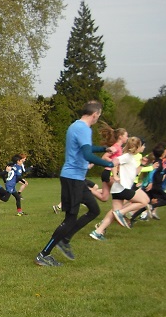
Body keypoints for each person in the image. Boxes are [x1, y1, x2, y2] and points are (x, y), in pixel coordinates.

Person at [35, 101, 114, 267]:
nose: (97, 119)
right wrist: (109, 164)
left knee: (94, 209)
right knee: (70, 219)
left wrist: (103, 149)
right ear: (95, 114)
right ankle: (43, 254)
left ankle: (65, 239)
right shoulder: (84, 129)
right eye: (98, 117)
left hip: (77, 179)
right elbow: (86, 154)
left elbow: (86, 148)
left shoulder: (76, 126)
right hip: (73, 179)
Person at [90, 136, 149, 240]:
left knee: (113, 213)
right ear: (137, 147)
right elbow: (113, 162)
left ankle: (97, 232)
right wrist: (115, 175)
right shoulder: (127, 156)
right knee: (145, 201)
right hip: (123, 188)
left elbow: (134, 173)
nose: (143, 147)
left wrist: (143, 165)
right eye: (142, 146)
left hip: (119, 189)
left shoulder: (130, 158)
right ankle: (121, 213)